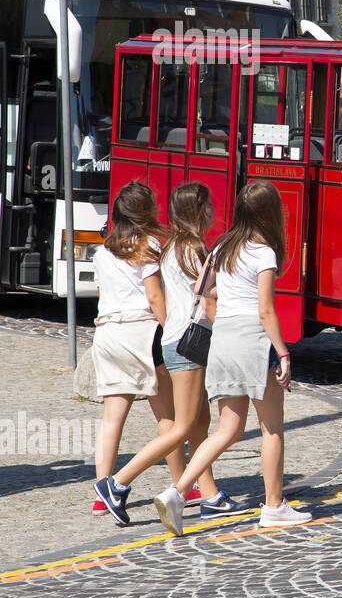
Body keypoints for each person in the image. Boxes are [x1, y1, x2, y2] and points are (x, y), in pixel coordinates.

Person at [154, 181, 310, 536]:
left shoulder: (223, 245)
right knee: (271, 427)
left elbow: (201, 289)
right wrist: (284, 353)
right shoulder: (263, 252)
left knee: (228, 428)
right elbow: (267, 311)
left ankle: (177, 492)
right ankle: (274, 507)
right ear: (270, 213)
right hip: (252, 340)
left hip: (222, 338)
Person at [98, 184, 248, 523]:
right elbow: (208, 299)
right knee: (182, 427)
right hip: (187, 343)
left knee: (199, 423)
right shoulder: (193, 248)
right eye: (208, 204)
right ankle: (117, 483)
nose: (213, 209)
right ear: (199, 210)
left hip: (175, 340)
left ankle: (209, 495)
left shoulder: (170, 248)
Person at [91, 182, 194, 525]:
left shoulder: (103, 250)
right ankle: (183, 485)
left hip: (107, 333)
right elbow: (154, 298)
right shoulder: (148, 245)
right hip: (141, 333)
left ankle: (101, 489)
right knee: (169, 417)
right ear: (145, 212)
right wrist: (171, 332)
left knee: (112, 418)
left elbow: (103, 293)